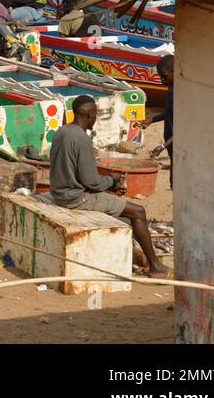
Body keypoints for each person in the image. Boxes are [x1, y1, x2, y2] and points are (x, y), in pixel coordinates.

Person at [44, 95, 168, 276]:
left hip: (59, 192)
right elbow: (91, 182)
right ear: (90, 114)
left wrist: (106, 180)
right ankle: (155, 266)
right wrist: (112, 179)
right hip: (75, 198)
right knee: (138, 211)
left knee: (126, 219)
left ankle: (129, 258)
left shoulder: (62, 132)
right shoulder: (81, 139)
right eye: (95, 114)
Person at [149, 55, 175, 189]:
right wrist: (152, 120)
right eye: (160, 77)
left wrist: (164, 145)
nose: (162, 81)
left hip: (176, 143)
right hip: (170, 142)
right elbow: (169, 114)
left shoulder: (180, 93)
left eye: (164, 76)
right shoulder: (170, 91)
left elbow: (184, 129)